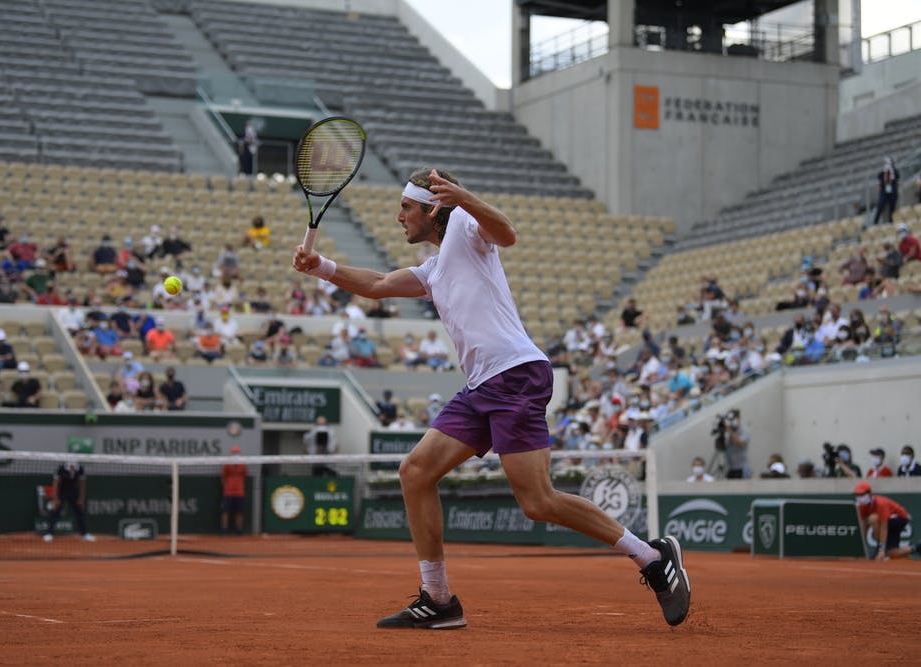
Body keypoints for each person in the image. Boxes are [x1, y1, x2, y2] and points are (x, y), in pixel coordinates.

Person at [291, 167, 690, 629]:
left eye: (406, 207)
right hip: (483, 385)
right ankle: (438, 600)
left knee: (537, 502)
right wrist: (320, 268)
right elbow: (378, 285)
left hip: (515, 375)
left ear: (433, 209)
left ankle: (652, 557)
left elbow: (507, 233)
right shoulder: (434, 268)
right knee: (416, 472)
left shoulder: (463, 226)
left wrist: (465, 199)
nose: (399, 217)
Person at [853, 482, 916, 560]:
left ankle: (880, 548)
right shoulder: (862, 506)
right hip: (890, 522)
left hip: (899, 519)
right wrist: (859, 548)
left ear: (869, 494)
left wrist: (881, 549)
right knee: (890, 552)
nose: (859, 497)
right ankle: (917, 548)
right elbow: (863, 525)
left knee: (873, 518)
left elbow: (884, 527)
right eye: (858, 495)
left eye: (862, 495)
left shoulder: (880, 503)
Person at [43, 462, 96, 543]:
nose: (72, 468)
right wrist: (56, 498)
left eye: (74, 467)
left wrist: (81, 498)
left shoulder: (80, 469)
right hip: (61, 491)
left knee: (80, 512)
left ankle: (84, 535)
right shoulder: (61, 468)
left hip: (74, 492)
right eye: (71, 466)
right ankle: (49, 534)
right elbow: (56, 483)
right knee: (55, 512)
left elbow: (82, 483)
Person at [221, 445, 248, 534]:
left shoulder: (243, 464)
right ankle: (224, 530)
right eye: (234, 452)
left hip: (240, 492)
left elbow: (245, 475)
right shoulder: (227, 464)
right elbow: (223, 477)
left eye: (237, 452)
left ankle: (239, 530)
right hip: (228, 492)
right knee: (225, 511)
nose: (235, 453)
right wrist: (226, 487)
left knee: (239, 512)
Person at [720, 409, 750, 479]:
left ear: (739, 418)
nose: (732, 420)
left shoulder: (744, 431)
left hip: (741, 468)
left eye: (734, 418)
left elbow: (741, 443)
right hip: (730, 468)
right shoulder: (727, 431)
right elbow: (723, 446)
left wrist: (730, 431)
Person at [872, 157, 899, 226]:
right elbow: (879, 184)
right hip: (884, 191)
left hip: (892, 191)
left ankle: (891, 220)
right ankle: (875, 222)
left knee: (892, 205)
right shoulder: (881, 174)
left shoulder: (894, 172)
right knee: (880, 205)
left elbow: (896, 181)